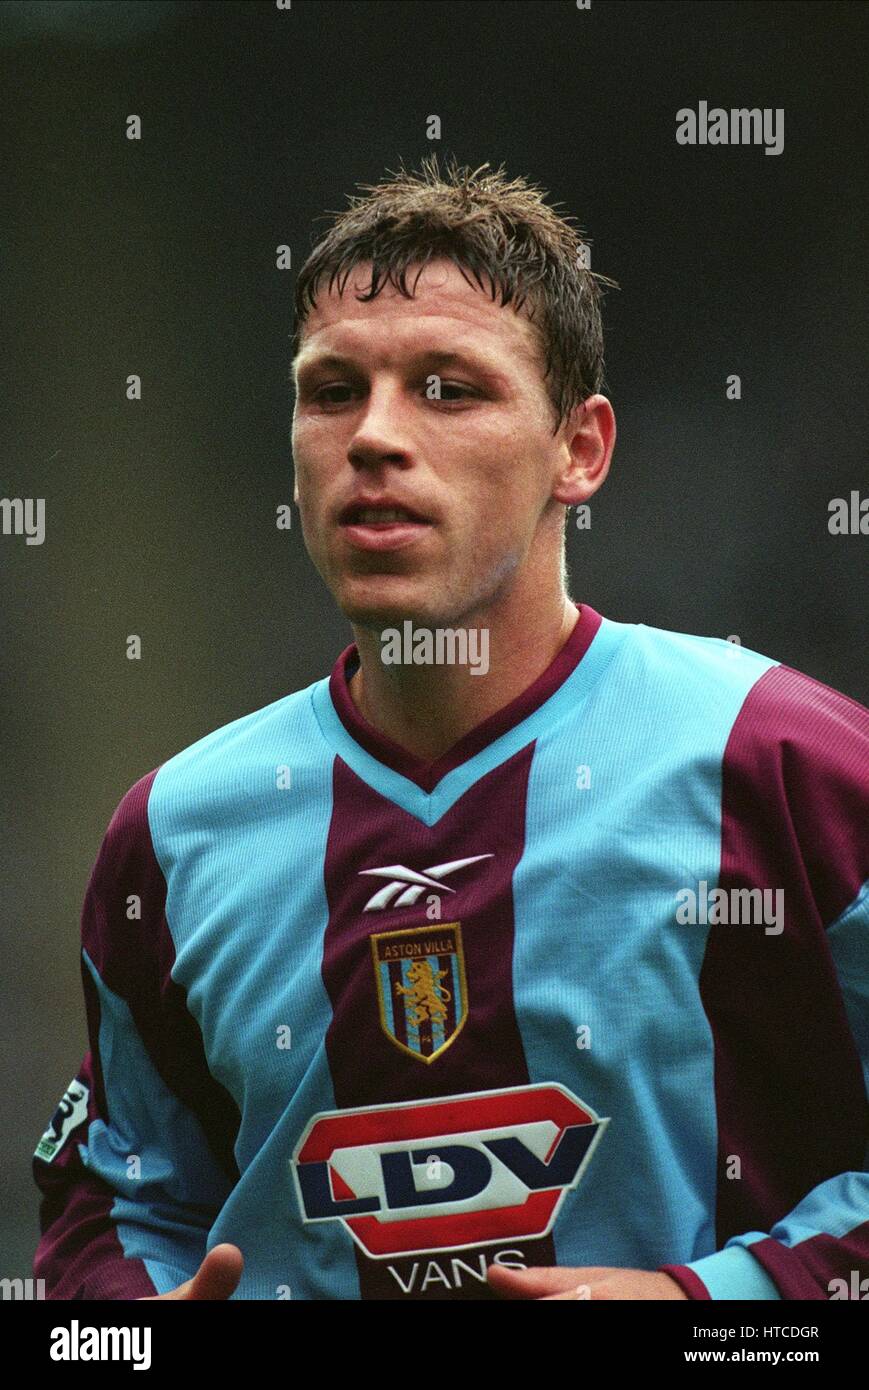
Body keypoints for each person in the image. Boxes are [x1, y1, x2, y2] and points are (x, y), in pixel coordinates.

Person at [33, 155, 868, 1301]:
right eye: (331, 392)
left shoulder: (779, 764)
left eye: (447, 388)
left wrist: (712, 1308)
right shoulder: (173, 838)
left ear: (579, 450)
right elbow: (118, 1198)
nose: (373, 436)